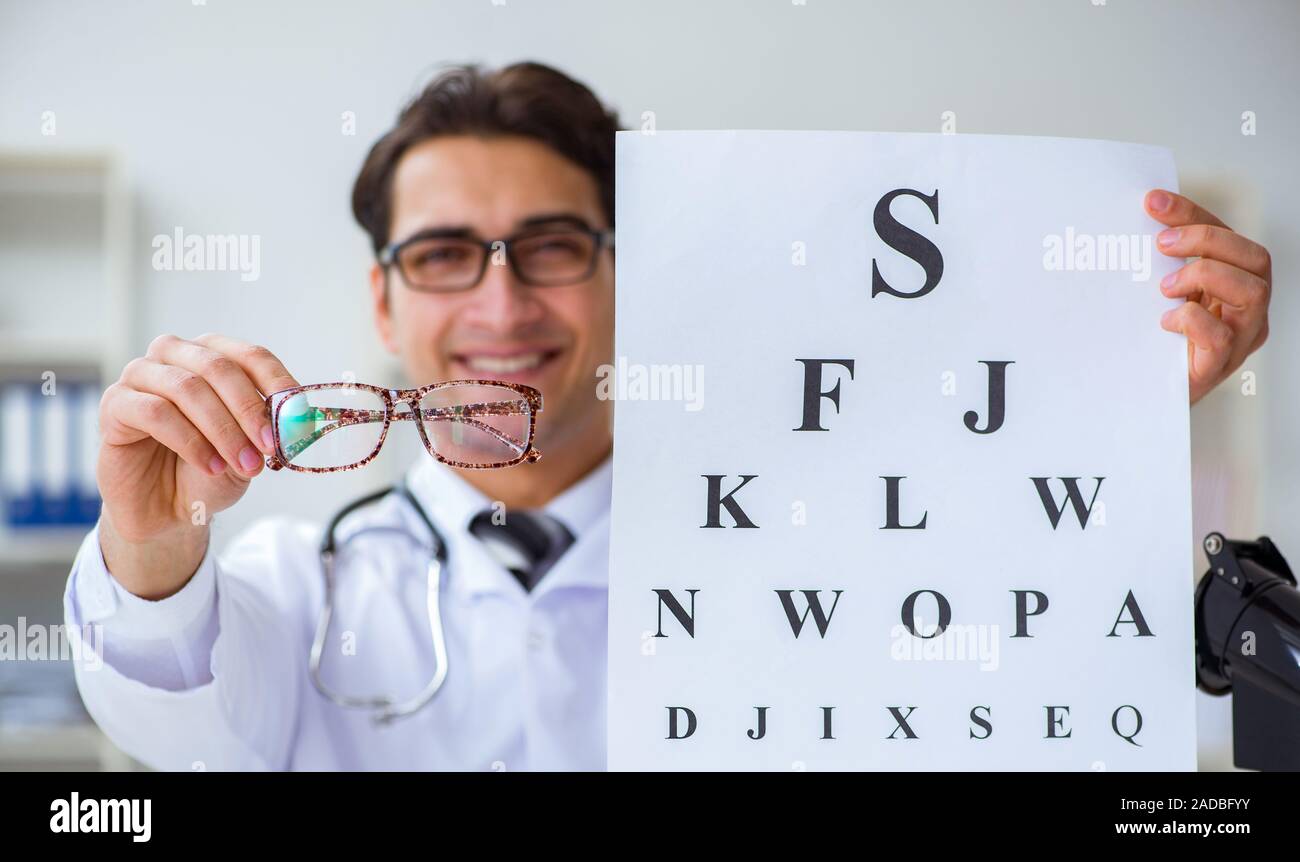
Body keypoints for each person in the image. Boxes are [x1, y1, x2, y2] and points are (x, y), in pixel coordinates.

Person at [63, 61, 1273, 771]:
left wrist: (1097, 427)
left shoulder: (814, 556)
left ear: (628, 268)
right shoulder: (293, 585)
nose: (500, 301)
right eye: (442, 254)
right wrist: (151, 540)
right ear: (382, 294)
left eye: (549, 246)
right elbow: (173, 721)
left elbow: (993, 701)